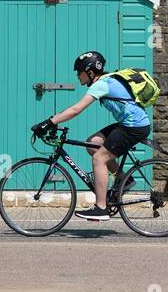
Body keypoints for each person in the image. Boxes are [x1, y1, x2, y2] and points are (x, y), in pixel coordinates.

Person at [31, 51, 157, 222]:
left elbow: (76, 109)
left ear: (90, 72)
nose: (77, 76)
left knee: (99, 159)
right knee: (92, 144)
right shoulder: (105, 81)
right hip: (128, 123)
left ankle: (101, 208)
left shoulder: (101, 85)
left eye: (79, 72)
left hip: (134, 127)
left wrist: (48, 122)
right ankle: (124, 181)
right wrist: (53, 120)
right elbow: (72, 110)